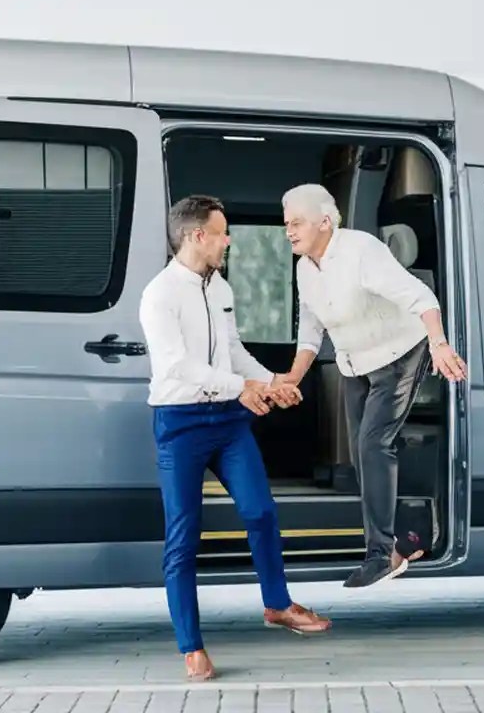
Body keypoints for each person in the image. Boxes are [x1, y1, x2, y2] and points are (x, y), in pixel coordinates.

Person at [138, 194, 332, 682]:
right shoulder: (160, 294)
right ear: (195, 235)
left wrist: (273, 382)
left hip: (226, 421)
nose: (229, 241)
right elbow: (177, 366)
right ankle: (191, 648)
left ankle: (276, 604)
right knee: (183, 537)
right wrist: (244, 387)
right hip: (179, 422)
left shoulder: (218, 286)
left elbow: (231, 350)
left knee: (261, 510)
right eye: (222, 232)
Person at [274, 183, 467, 589]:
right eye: (286, 223)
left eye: (297, 223)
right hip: (354, 362)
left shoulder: (361, 250)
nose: (288, 230)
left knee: (372, 443)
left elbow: (421, 296)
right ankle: (404, 539)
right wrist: (293, 376)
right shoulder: (306, 267)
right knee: (362, 455)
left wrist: (439, 344)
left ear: (324, 222)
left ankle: (380, 554)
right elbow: (310, 328)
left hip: (400, 352)